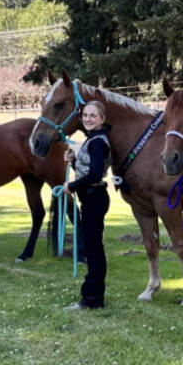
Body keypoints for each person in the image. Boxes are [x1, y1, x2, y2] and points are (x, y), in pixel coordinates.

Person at [63, 101, 111, 310]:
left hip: (94, 198)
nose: (88, 119)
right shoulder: (92, 139)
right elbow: (88, 170)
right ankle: (94, 297)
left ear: (102, 119)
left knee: (93, 249)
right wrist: (74, 161)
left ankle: (92, 298)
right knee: (92, 247)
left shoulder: (98, 142)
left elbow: (95, 174)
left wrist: (71, 186)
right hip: (90, 197)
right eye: (85, 115)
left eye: (93, 115)